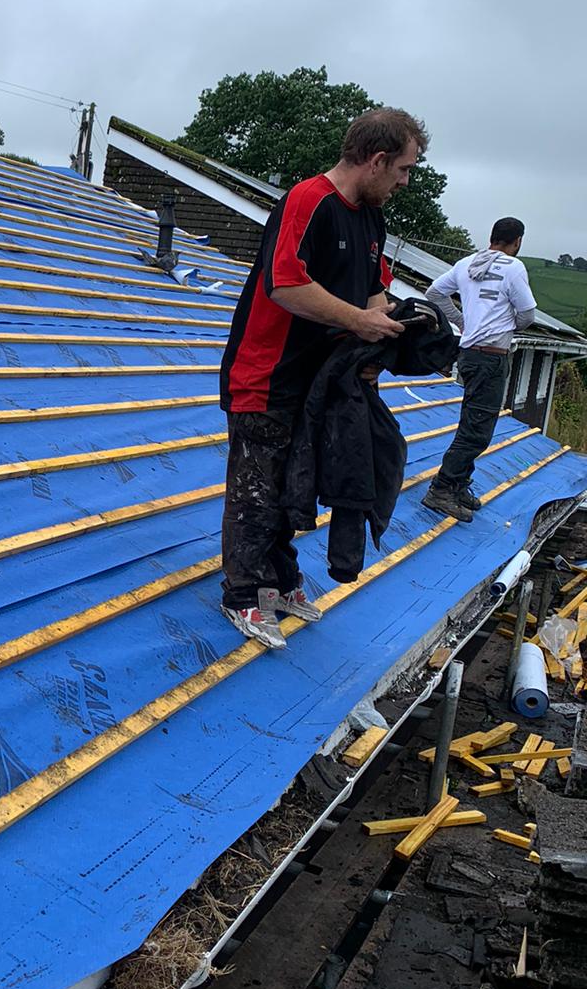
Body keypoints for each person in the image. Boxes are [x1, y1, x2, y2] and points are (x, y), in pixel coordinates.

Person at [218, 107, 423, 650]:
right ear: (376, 161)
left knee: (294, 486)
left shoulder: (370, 219)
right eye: (403, 169)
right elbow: (284, 284)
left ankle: (279, 583)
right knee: (255, 492)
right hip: (267, 376)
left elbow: (375, 290)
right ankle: (242, 594)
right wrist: (358, 320)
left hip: (317, 385)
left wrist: (384, 334)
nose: (405, 181)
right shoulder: (310, 201)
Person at [421, 217, 537, 522]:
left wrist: (461, 320)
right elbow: (527, 313)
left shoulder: (467, 263)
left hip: (470, 355)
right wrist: (508, 324)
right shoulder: (513, 268)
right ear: (518, 241)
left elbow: (433, 293)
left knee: (473, 422)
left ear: (492, 237)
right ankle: (442, 488)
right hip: (491, 358)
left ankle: (458, 484)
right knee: (477, 431)